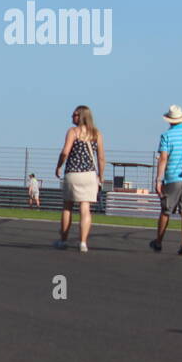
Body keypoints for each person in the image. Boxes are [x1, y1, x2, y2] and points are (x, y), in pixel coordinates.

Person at [53, 105, 106, 253]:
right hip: (89, 174)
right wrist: (101, 175)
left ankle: (63, 240)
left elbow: (65, 152)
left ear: (81, 116)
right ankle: (83, 242)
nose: (72, 117)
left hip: (73, 173)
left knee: (67, 207)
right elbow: (101, 158)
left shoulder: (73, 132)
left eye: (75, 115)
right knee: (85, 208)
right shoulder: (96, 134)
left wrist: (58, 166)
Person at [151, 104, 182, 256]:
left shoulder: (166, 136)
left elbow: (163, 158)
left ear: (169, 120)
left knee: (165, 211)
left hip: (173, 177)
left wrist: (158, 180)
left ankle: (158, 242)